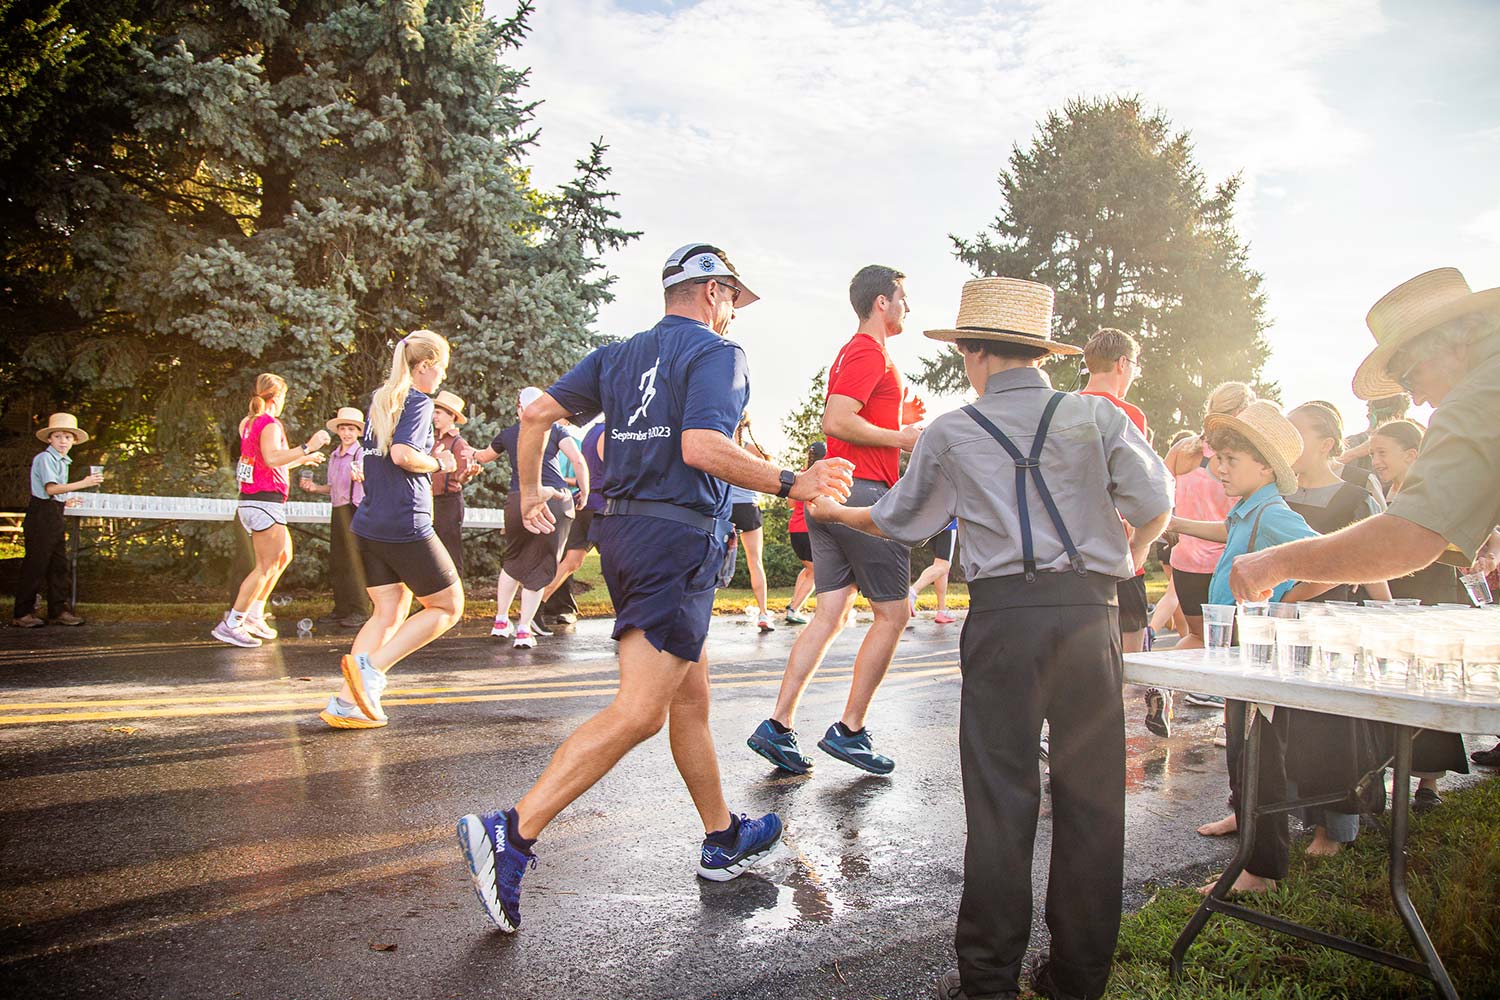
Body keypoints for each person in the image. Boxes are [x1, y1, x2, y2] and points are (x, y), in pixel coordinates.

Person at [453, 243, 854, 934]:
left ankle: (722, 834)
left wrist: (527, 490)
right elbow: (700, 446)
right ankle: (511, 833)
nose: (734, 314)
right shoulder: (718, 355)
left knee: (689, 698)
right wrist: (795, 480)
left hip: (627, 539)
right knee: (641, 710)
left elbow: (533, 417)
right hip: (677, 543)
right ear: (710, 292)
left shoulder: (617, 354)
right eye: (733, 298)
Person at [809, 277, 1171, 1000]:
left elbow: (901, 520)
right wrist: (1128, 560)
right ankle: (1076, 978)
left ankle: (988, 981)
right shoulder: (1093, 416)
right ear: (1037, 352)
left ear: (973, 353)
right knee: (1093, 800)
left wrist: (836, 513)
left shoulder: (951, 430)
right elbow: (1155, 503)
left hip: (1004, 617)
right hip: (1089, 612)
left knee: (1001, 798)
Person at [747, 264, 924, 777]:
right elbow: (837, 421)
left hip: (830, 495)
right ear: (881, 303)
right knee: (894, 615)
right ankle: (849, 730)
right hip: (862, 496)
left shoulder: (856, 352)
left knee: (832, 615)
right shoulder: (869, 351)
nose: (908, 308)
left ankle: (778, 727)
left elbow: (850, 420)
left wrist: (897, 420)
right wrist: (903, 439)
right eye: (903, 298)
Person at [1169, 400, 1335, 893]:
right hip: (1238, 647)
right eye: (1216, 458)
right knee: (1241, 745)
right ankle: (1243, 818)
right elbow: (1226, 533)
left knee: (1260, 754)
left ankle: (1261, 870)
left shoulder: (1275, 515)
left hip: (1260, 646)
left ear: (1265, 467)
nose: (1218, 468)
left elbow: (1325, 563)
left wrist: (1287, 601)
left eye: (1230, 461)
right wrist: (1175, 523)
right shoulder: (1247, 511)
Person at [319, 330, 465, 730]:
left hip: (369, 522)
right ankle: (372, 671)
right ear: (424, 366)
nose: (441, 378)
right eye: (441, 370)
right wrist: (440, 464)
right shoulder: (417, 401)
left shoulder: (382, 401)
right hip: (405, 521)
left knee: (388, 611)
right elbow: (402, 456)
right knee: (448, 607)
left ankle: (348, 704)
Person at [1282, 401, 1390, 855]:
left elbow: (1367, 563)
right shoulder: (1281, 498)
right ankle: (1300, 817)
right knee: (1292, 729)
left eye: (1297, 433)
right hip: (1286, 632)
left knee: (1334, 730)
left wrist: (1390, 616)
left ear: (1326, 443)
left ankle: (1337, 829)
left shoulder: (1354, 498)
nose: (1287, 442)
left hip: (1334, 631)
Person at [213, 374, 329, 648]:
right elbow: (273, 457)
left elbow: (269, 463)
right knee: (265, 566)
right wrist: (308, 446)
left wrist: (303, 458)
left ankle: (253, 613)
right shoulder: (270, 424)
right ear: (278, 399)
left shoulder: (249, 422)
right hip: (263, 502)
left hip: (256, 501)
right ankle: (233, 623)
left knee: (283, 556)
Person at [473, 387, 588, 649]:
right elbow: (578, 461)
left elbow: (483, 457)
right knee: (542, 564)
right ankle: (524, 629)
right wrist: (585, 490)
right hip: (554, 499)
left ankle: (500, 621)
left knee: (513, 558)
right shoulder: (557, 431)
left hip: (517, 499)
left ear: (519, 409)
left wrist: (466, 452)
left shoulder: (509, 433)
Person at [1079, 327, 1151, 653]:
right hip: (1115, 541)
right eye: (1135, 364)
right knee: (1130, 644)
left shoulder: (1061, 407)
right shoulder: (1129, 414)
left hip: (1070, 545)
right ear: (1122, 363)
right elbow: (1137, 486)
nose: (1135, 372)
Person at [12, 412, 102, 628]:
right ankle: (22, 613)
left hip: (54, 513)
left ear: (74, 441)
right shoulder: (44, 459)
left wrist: (65, 500)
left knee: (58, 564)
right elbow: (50, 488)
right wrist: (83, 483)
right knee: (36, 565)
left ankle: (58, 610)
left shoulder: (63, 461)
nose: (63, 441)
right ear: (50, 439)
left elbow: (55, 492)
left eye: (68, 437)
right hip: (41, 515)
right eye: (59, 436)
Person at [299, 406, 370, 628]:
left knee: (354, 561)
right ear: (338, 431)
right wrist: (314, 488)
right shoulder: (334, 455)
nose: (347, 433)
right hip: (338, 509)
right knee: (338, 561)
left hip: (356, 510)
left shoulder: (362, 454)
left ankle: (359, 610)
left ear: (358, 432)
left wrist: (362, 479)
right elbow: (332, 487)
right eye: (343, 428)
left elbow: (372, 483)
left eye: (351, 429)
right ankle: (341, 608)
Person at [539, 418, 606, 628]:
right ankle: (630, 618)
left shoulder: (591, 433)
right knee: (623, 564)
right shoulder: (613, 432)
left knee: (571, 562)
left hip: (585, 505)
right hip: (605, 506)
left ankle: (533, 609)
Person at [728, 412, 775, 631]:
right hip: (748, 508)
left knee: (715, 562)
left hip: (725, 508)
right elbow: (771, 474)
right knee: (754, 561)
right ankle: (764, 614)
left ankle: (702, 613)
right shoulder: (755, 450)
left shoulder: (721, 448)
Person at [429, 390, 476, 584]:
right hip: (430, 502)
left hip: (448, 502)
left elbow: (462, 477)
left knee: (450, 551)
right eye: (434, 412)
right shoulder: (431, 440)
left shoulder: (458, 443)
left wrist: (466, 475)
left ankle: (454, 600)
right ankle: (435, 599)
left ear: (452, 417)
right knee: (432, 554)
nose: (434, 416)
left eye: (439, 412)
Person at [783, 441, 825, 625]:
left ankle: (793, 605)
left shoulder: (800, 474)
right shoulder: (823, 475)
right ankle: (794, 609)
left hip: (796, 529)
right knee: (816, 572)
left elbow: (790, 504)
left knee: (808, 569)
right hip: (810, 530)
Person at [909, 520, 959, 624]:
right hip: (948, 523)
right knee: (943, 565)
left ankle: (942, 610)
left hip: (934, 523)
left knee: (941, 566)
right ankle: (912, 592)